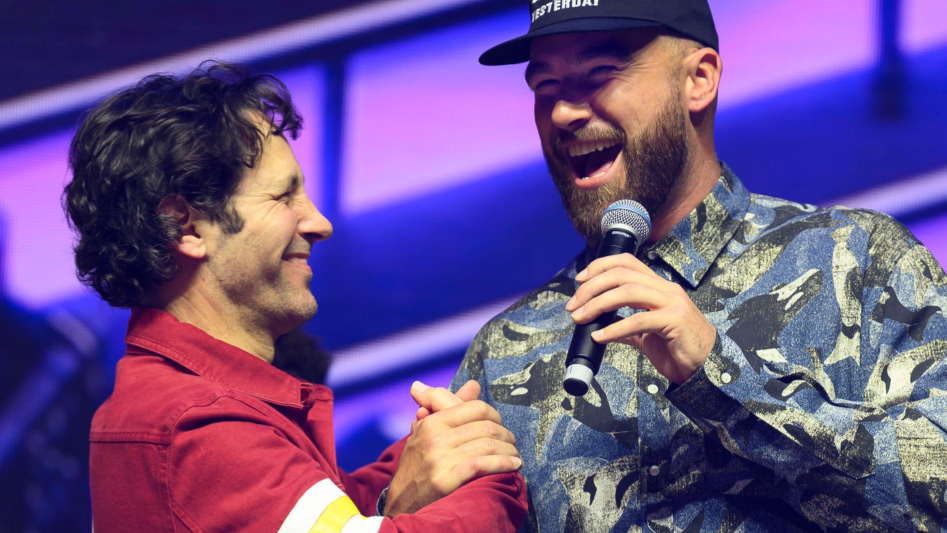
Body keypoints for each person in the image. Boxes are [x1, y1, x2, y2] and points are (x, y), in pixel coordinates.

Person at [449, 1, 947, 531]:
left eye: (599, 73)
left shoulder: (860, 259)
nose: (562, 114)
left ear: (699, 79)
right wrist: (408, 500)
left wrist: (719, 375)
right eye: (544, 85)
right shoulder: (502, 353)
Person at [65, 62, 527, 532]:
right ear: (186, 226)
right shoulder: (197, 426)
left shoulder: (182, 408)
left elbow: (338, 508)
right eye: (284, 197)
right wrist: (489, 476)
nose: (319, 224)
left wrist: (437, 447)